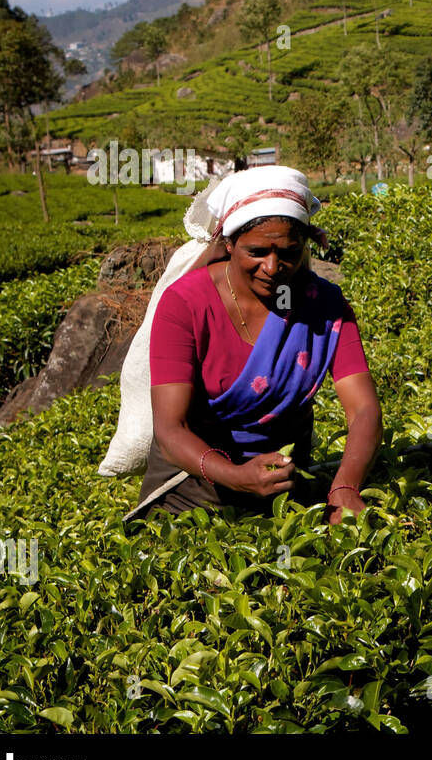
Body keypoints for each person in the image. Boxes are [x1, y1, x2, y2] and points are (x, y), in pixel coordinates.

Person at [128, 165, 382, 524]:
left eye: (289, 252)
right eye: (257, 251)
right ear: (229, 243)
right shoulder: (186, 304)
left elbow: (364, 410)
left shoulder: (323, 304)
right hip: (193, 488)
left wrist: (345, 488)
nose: (273, 266)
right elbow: (171, 431)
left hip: (284, 486)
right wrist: (236, 476)